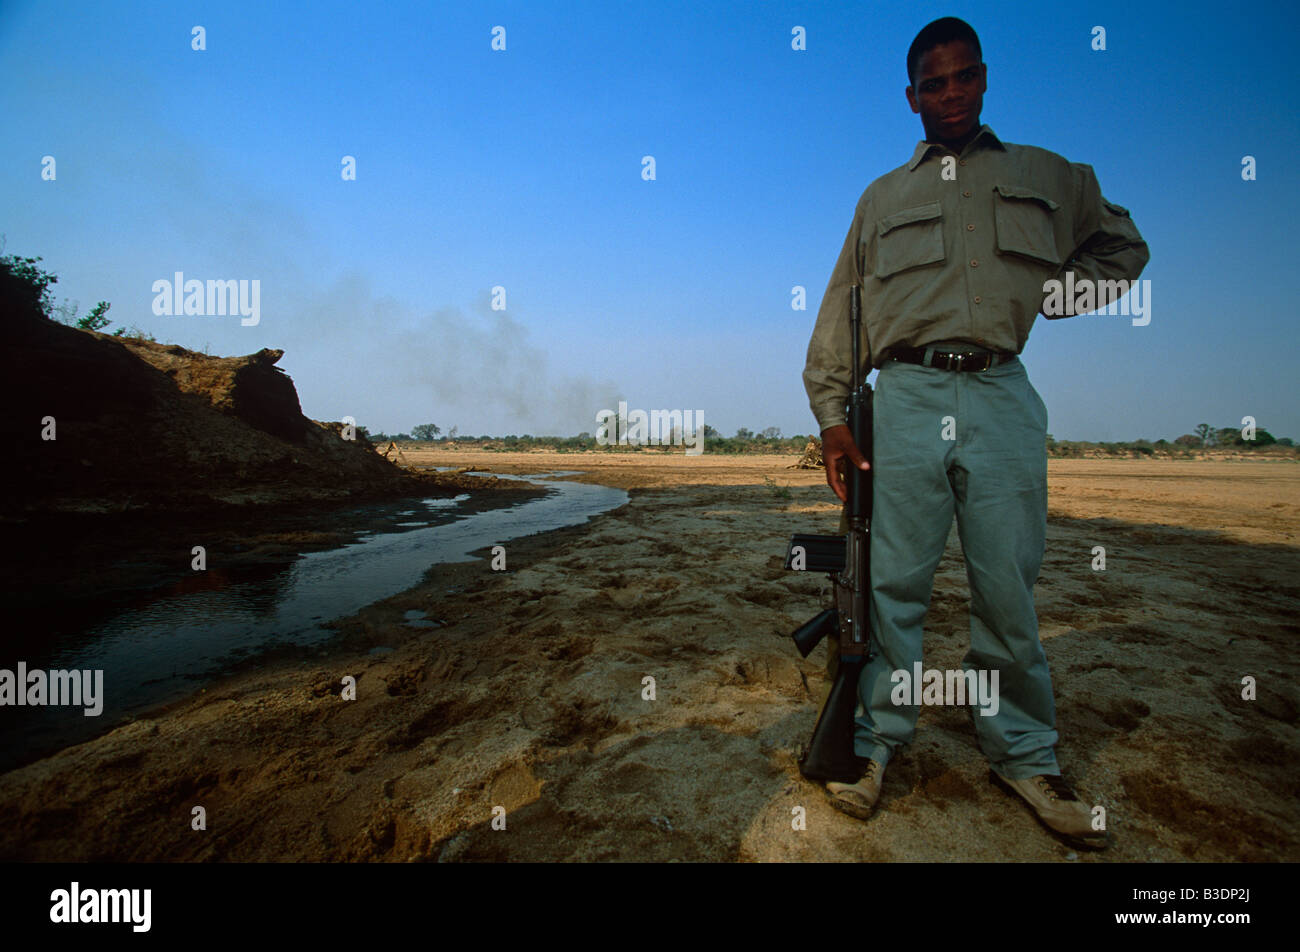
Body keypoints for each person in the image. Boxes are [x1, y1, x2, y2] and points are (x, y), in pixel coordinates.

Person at [801, 16, 1149, 850]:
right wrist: (833, 420)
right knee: (892, 590)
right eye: (933, 83)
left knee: (1007, 590)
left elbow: (1123, 250)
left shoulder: (1049, 177)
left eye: (964, 78)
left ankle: (1026, 756)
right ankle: (875, 745)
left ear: (984, 80)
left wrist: (1040, 300)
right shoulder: (881, 198)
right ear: (911, 97)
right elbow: (844, 314)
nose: (950, 94)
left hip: (1000, 392)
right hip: (909, 394)